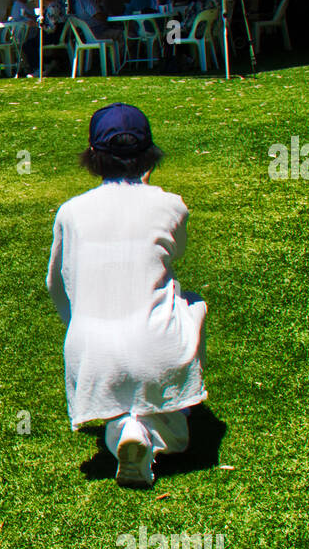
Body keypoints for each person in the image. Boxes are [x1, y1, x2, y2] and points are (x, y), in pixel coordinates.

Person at [47, 103, 206, 488]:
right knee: (193, 303)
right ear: (149, 156)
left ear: (94, 158)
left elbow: (56, 286)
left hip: (91, 350)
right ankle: (150, 431)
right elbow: (176, 251)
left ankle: (127, 429)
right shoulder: (171, 205)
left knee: (123, 402)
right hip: (156, 347)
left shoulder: (70, 212)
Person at [8, 0, 41, 75]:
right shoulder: (20, 6)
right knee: (30, 44)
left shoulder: (19, 5)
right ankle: (36, 66)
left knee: (32, 43)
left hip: (26, 33)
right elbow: (28, 19)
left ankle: (36, 66)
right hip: (22, 34)